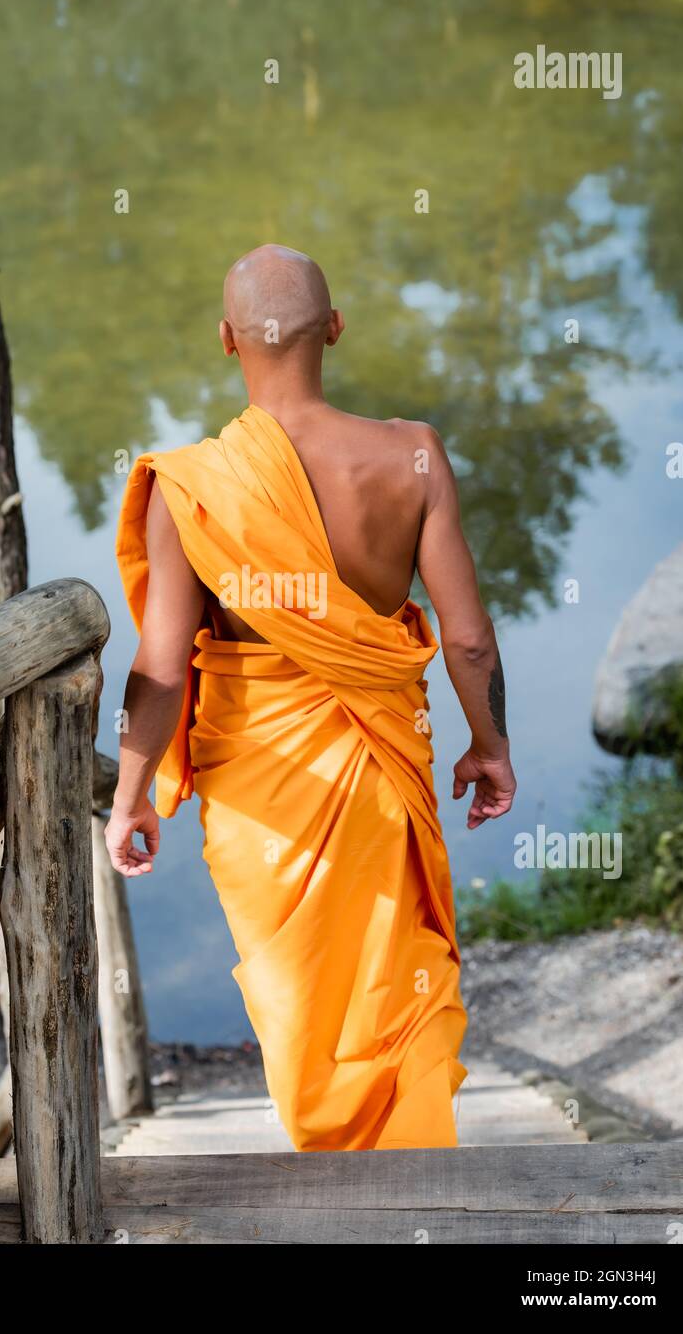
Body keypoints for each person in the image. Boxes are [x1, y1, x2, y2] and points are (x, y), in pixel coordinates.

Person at [108, 244, 516, 1150]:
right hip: (381, 768)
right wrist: (489, 746)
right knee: (393, 994)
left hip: (265, 794)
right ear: (333, 329)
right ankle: (414, 1198)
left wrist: (132, 796)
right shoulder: (412, 456)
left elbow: (162, 668)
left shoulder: (193, 489)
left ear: (226, 340)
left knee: (301, 1007)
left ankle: (332, 1184)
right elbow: (470, 636)